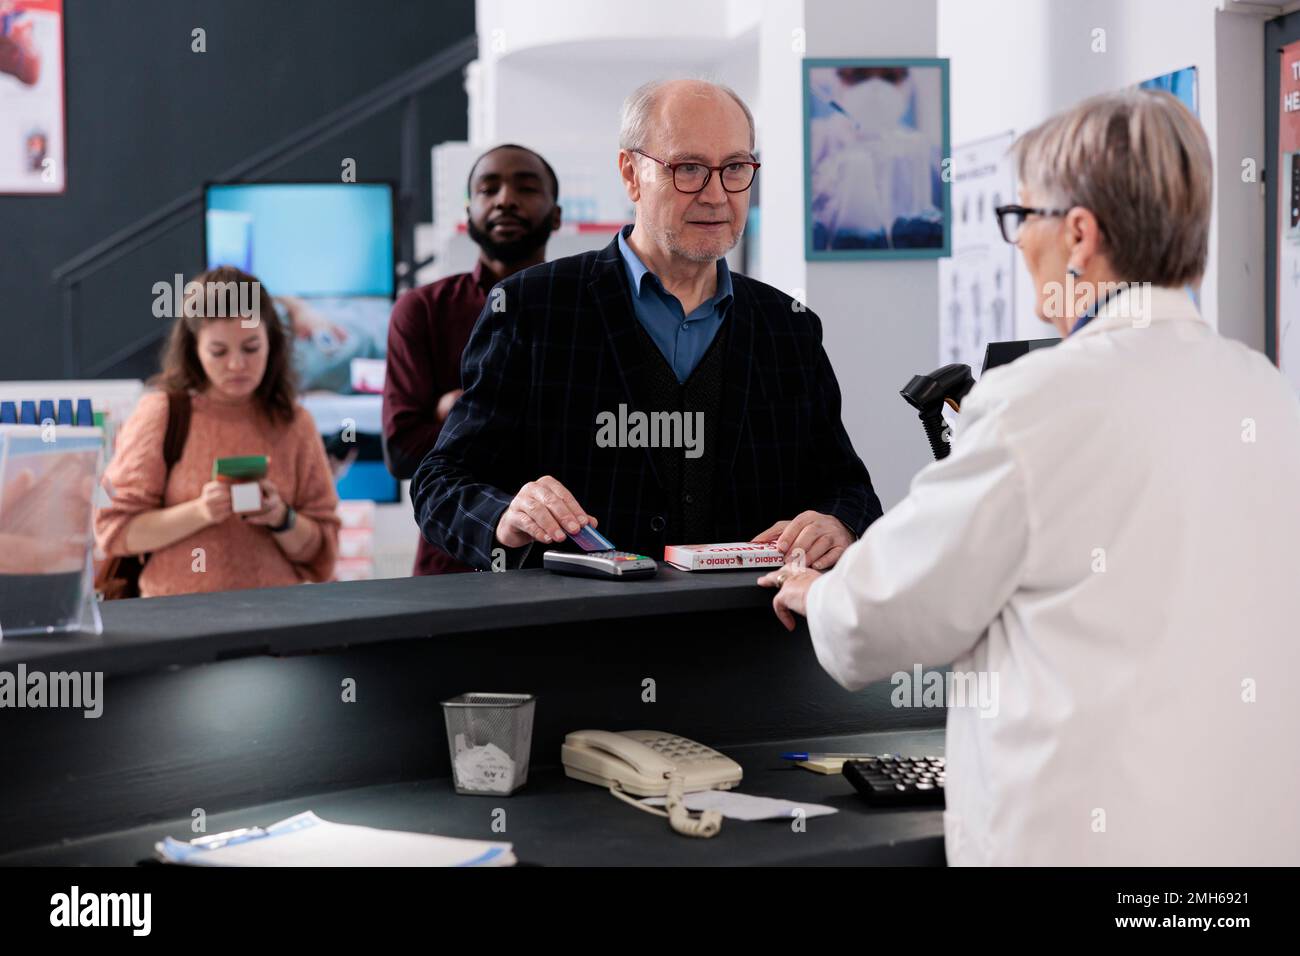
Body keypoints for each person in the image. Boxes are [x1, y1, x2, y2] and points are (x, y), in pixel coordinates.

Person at [760, 89, 1300, 865]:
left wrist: (819, 593)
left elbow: (871, 628)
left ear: (1078, 234)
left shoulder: (1038, 401)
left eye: (1022, 222)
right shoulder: (1263, 389)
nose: (1019, 248)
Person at [412, 79, 881, 570]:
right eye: (689, 169)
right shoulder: (532, 309)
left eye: (736, 168)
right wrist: (505, 515)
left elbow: (849, 487)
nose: (717, 195)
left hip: (750, 633)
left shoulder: (789, 327)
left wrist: (841, 524)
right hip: (576, 635)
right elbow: (441, 481)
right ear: (631, 174)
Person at [95, 267, 340, 597]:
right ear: (195, 349)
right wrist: (200, 511)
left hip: (276, 625)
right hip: (178, 625)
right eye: (219, 352)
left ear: (272, 342)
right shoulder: (163, 413)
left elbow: (322, 554)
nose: (237, 365)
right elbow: (114, 530)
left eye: (251, 348)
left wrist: (281, 517)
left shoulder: (294, 422)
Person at [384, 143, 561, 574]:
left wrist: (457, 412)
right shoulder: (422, 310)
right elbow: (403, 450)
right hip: (453, 562)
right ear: (468, 213)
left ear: (556, 215)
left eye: (526, 187)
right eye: (489, 188)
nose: (505, 199)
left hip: (565, 560)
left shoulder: (584, 310)